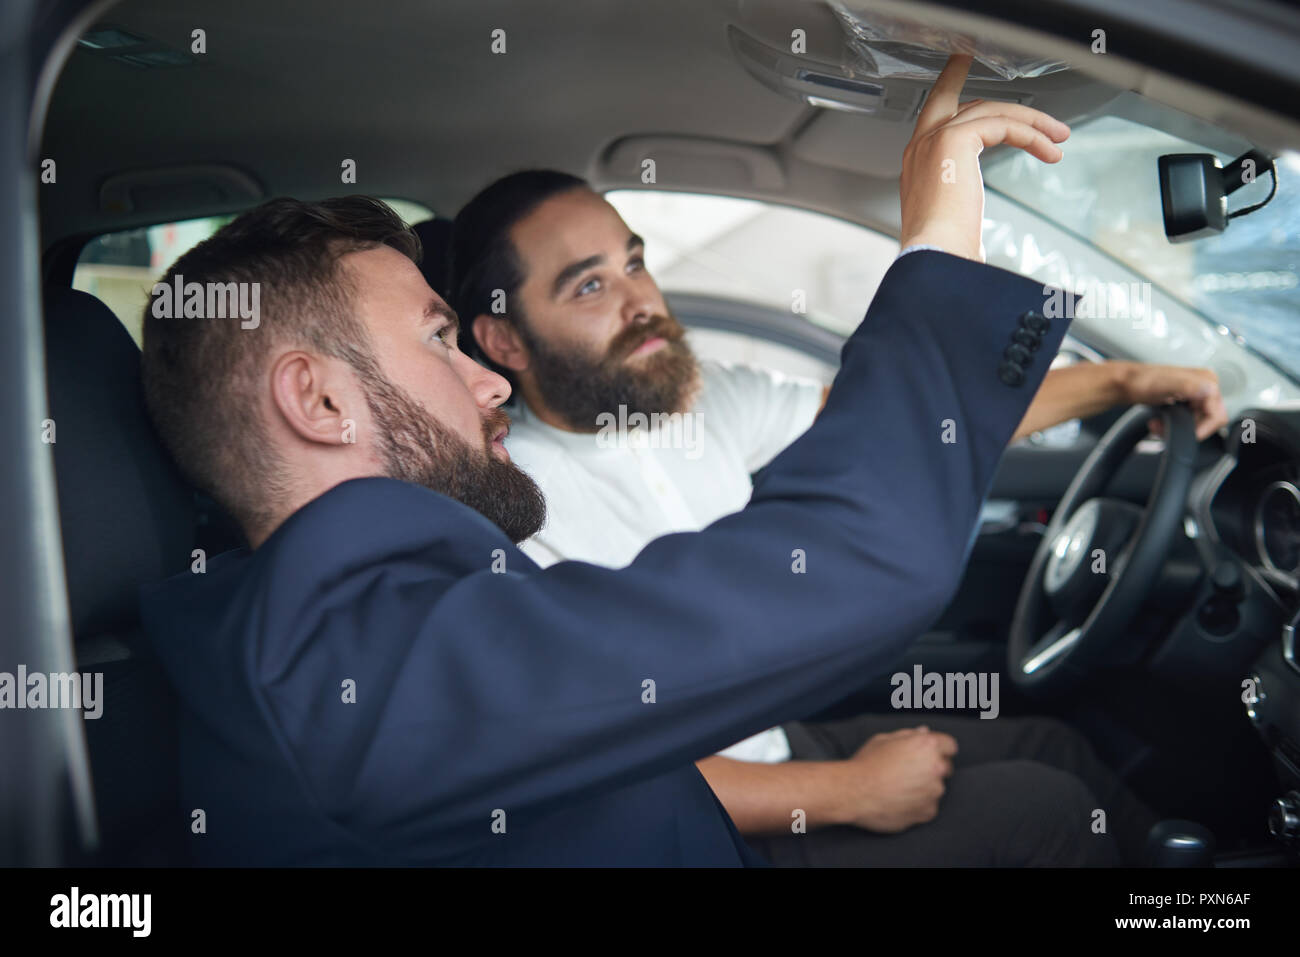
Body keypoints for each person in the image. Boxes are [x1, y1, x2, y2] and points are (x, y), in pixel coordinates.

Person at [141, 56, 1083, 865]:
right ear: (319, 400)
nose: (490, 385)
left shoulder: (347, 628)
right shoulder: (352, 674)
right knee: (1047, 821)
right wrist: (939, 246)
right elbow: (862, 562)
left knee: (1058, 762)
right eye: (439, 340)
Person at [445, 182, 1226, 865]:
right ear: (504, 339)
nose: (639, 299)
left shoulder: (703, 401)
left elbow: (911, 420)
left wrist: (1126, 381)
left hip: (772, 745)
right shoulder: (510, 507)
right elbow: (598, 778)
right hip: (697, 826)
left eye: (635, 261)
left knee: (1052, 745)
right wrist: (848, 790)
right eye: (588, 287)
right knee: (1045, 812)